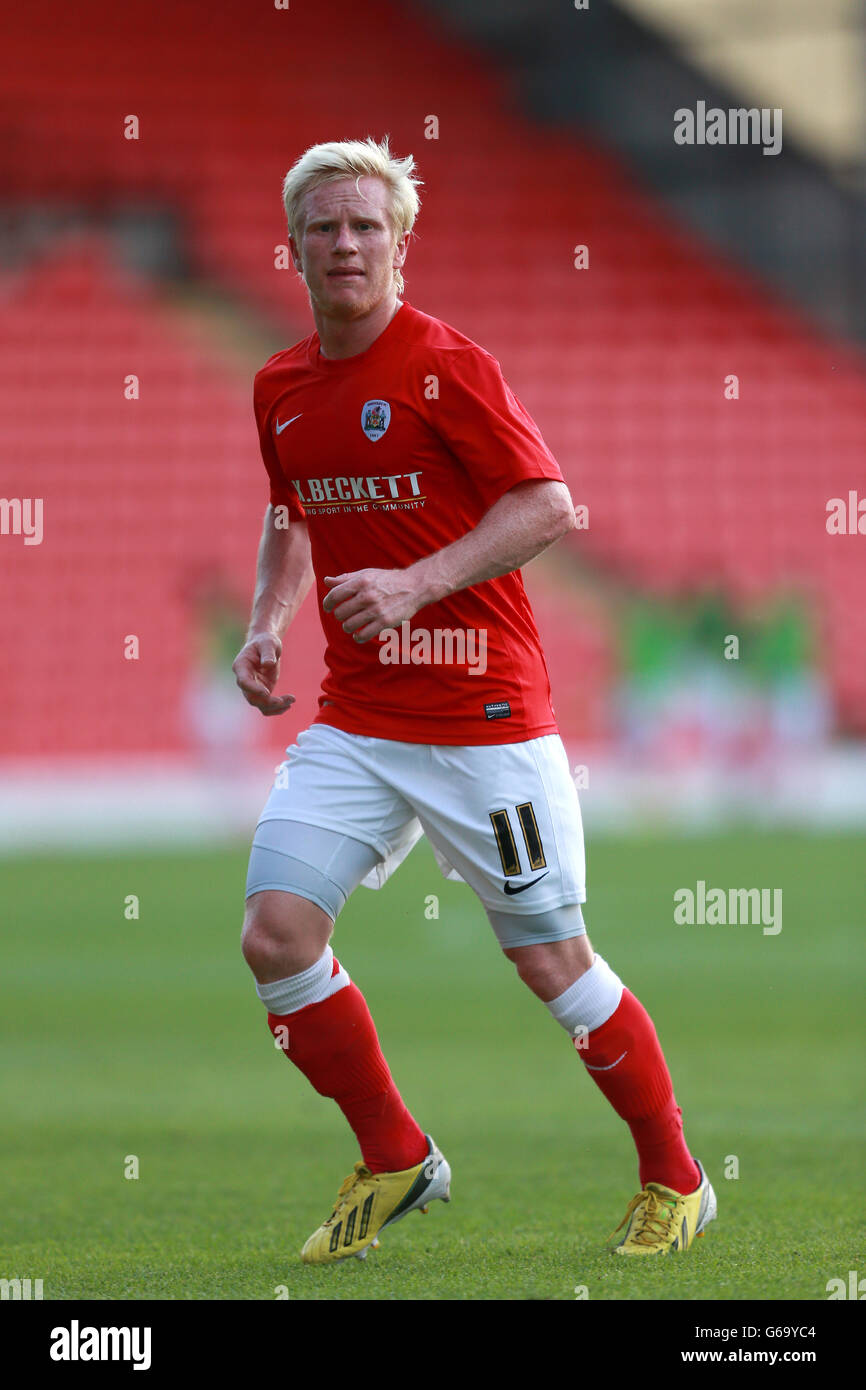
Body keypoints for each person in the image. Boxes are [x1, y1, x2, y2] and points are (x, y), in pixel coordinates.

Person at [232, 135, 716, 1264]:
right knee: (274, 934)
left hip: (482, 718)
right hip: (355, 721)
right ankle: (395, 1154)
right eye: (324, 226)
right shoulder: (280, 385)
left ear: (400, 244)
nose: (344, 243)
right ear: (294, 244)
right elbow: (288, 512)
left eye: (365, 226)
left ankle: (676, 1177)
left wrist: (414, 581)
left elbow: (546, 504)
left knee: (552, 962)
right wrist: (265, 621)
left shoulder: (448, 366)